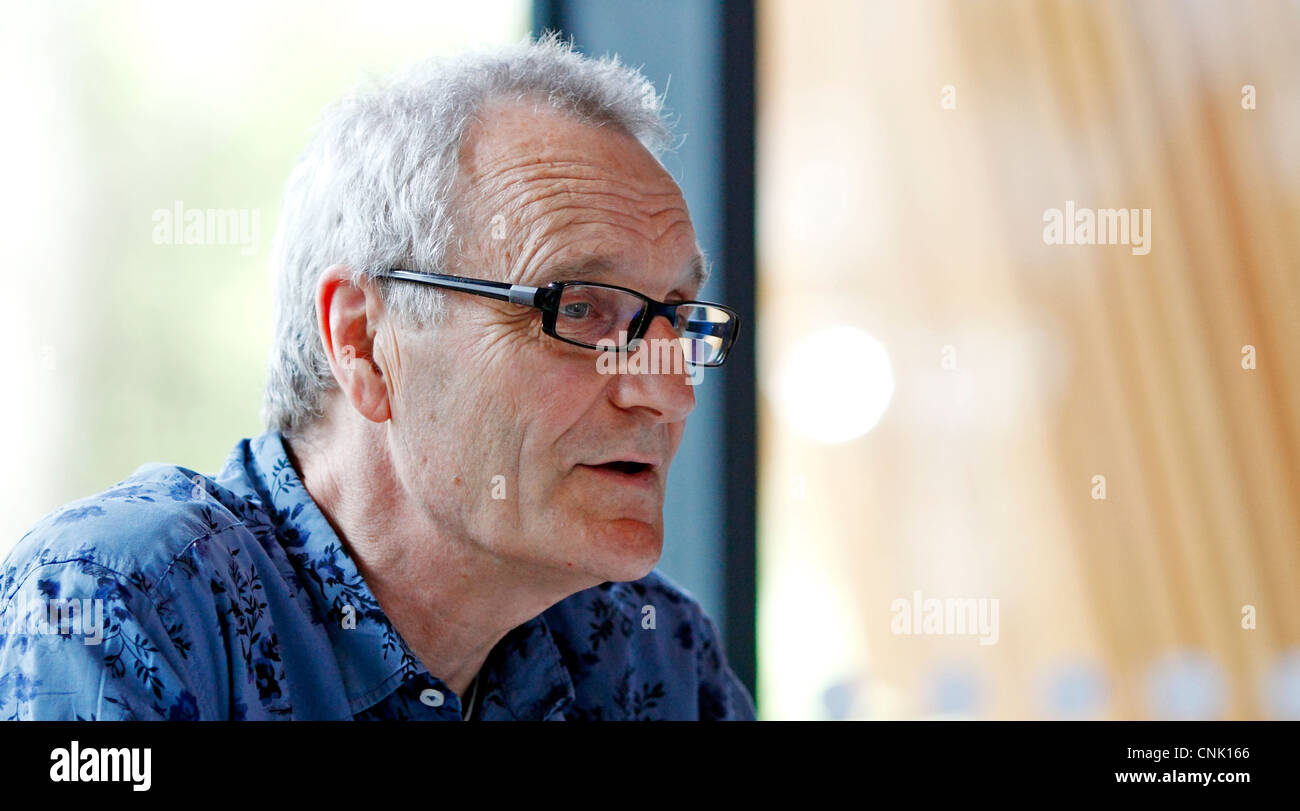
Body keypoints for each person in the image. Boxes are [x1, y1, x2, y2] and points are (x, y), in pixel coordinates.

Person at [0, 33, 754, 721]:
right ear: (362, 340)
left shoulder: (653, 650)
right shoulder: (119, 603)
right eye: (581, 308)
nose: (668, 392)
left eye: (679, 320)